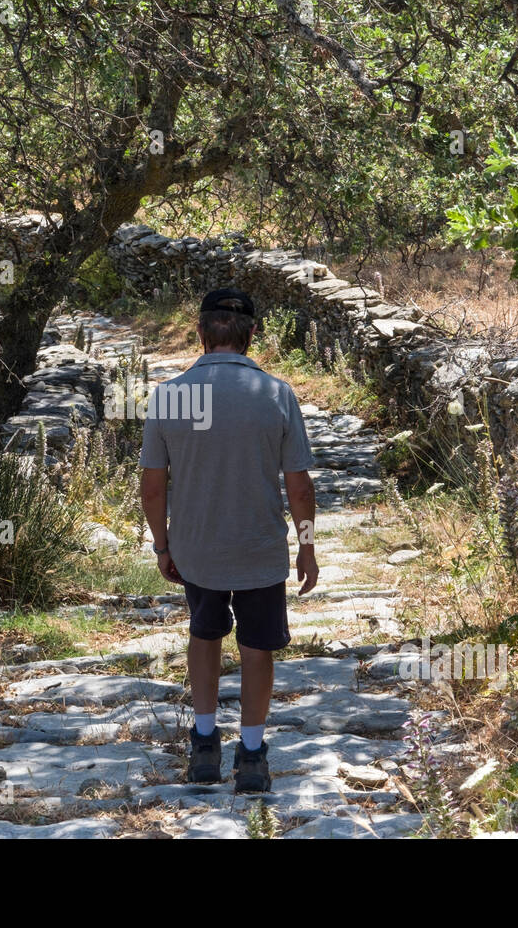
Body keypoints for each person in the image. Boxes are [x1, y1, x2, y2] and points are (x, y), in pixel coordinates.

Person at [138, 287, 318, 793]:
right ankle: (254, 754)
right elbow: (300, 488)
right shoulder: (277, 395)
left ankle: (203, 744)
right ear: (252, 335)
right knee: (258, 646)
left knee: (205, 633)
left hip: (196, 549)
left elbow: (153, 487)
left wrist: (162, 545)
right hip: (259, 548)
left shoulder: (171, 395)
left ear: (199, 332)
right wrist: (306, 546)